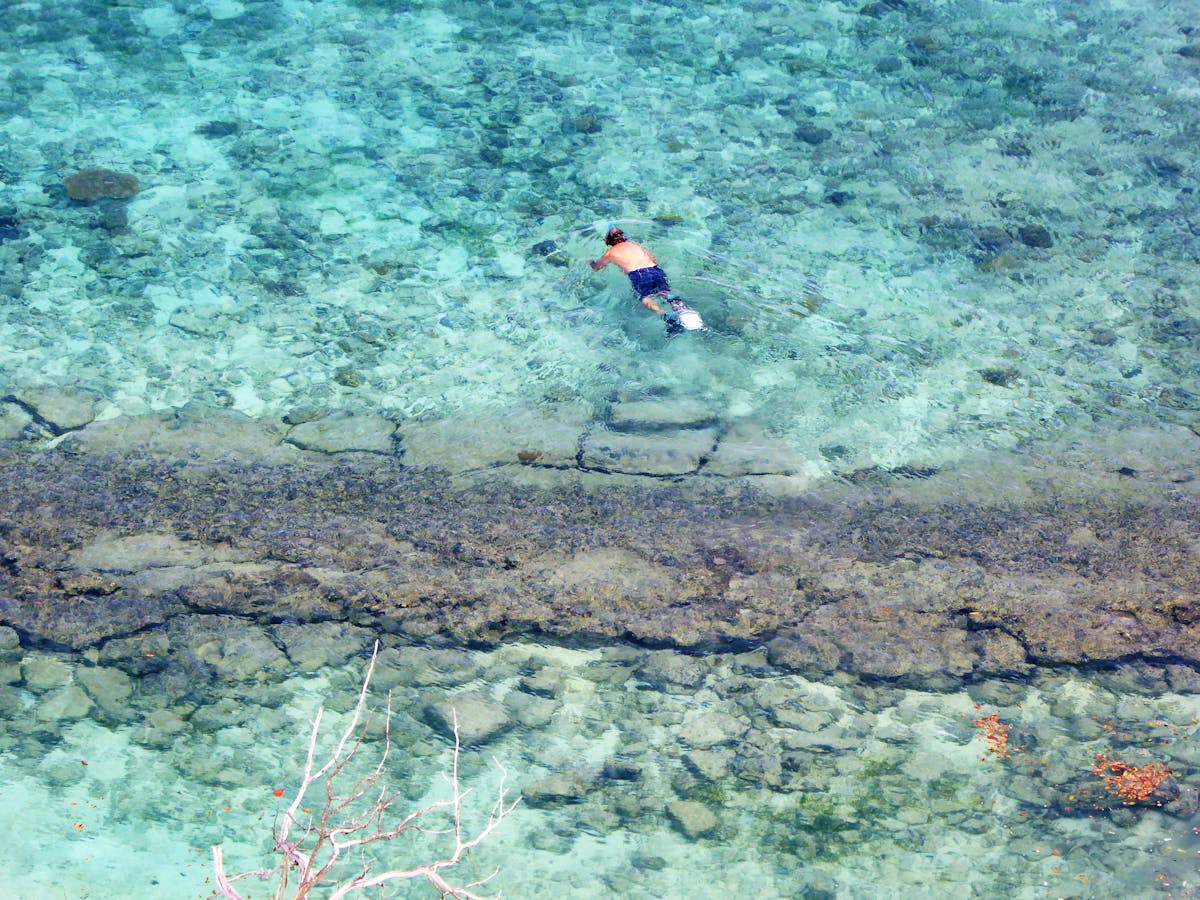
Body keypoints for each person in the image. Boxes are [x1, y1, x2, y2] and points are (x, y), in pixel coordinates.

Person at [587, 225, 702, 333]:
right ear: (623, 236)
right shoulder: (635, 245)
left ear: (608, 241)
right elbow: (654, 259)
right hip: (655, 270)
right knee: (664, 291)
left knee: (645, 298)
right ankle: (675, 301)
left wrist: (591, 262)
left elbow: (597, 268)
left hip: (638, 274)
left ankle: (667, 316)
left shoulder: (610, 252)